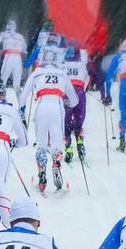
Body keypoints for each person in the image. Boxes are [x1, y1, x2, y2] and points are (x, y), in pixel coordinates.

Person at [20, 50, 77, 193]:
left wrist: (21, 109)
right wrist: (68, 104)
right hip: (57, 107)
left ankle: (42, 172)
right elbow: (74, 100)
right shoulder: (62, 73)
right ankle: (56, 163)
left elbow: (23, 97)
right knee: (57, 140)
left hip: (41, 106)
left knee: (41, 143)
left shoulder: (37, 72)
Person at [60, 41, 90, 163]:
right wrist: (84, 90)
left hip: (67, 94)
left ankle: (68, 148)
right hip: (79, 93)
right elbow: (87, 79)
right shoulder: (82, 65)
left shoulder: (62, 65)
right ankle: (79, 141)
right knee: (78, 123)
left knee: (66, 124)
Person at [0, 20, 27, 93]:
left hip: (9, 57)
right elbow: (24, 49)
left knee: (3, 79)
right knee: (16, 81)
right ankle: (19, 99)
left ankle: (1, 95)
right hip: (17, 58)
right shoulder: (20, 36)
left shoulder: (2, 34)